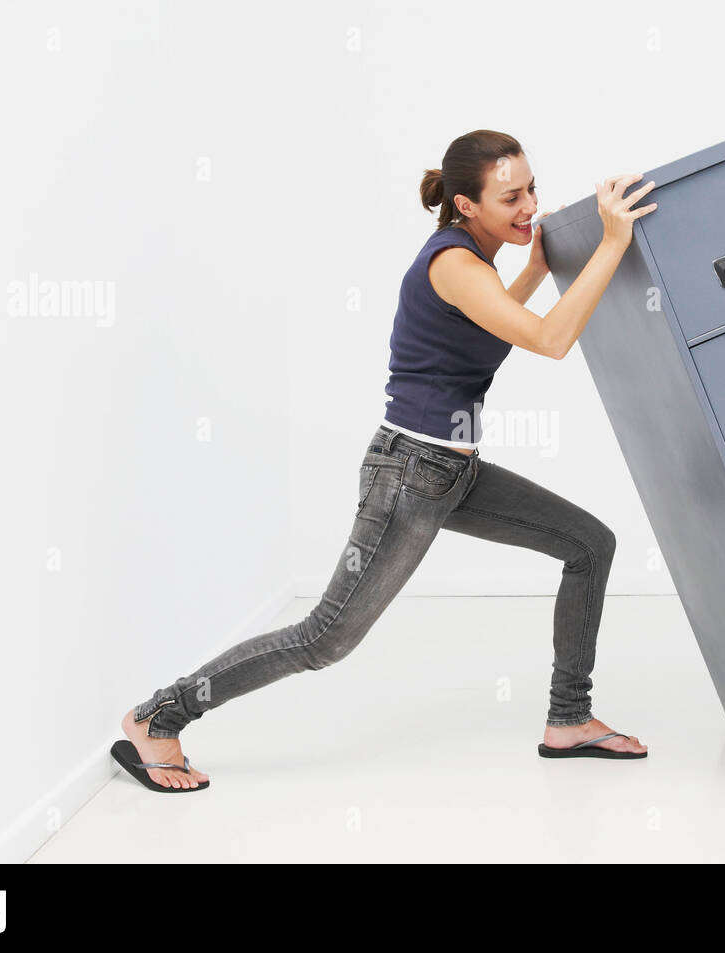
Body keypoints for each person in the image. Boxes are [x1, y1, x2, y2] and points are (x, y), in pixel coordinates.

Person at [112, 129, 658, 791]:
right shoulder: (454, 264)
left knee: (589, 543)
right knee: (325, 638)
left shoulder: (474, 268)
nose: (528, 206)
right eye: (510, 197)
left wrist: (538, 268)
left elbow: (489, 337)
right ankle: (158, 715)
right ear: (466, 204)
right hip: (409, 474)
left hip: (450, 473)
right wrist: (613, 242)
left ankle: (569, 718)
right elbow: (549, 338)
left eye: (531, 190)